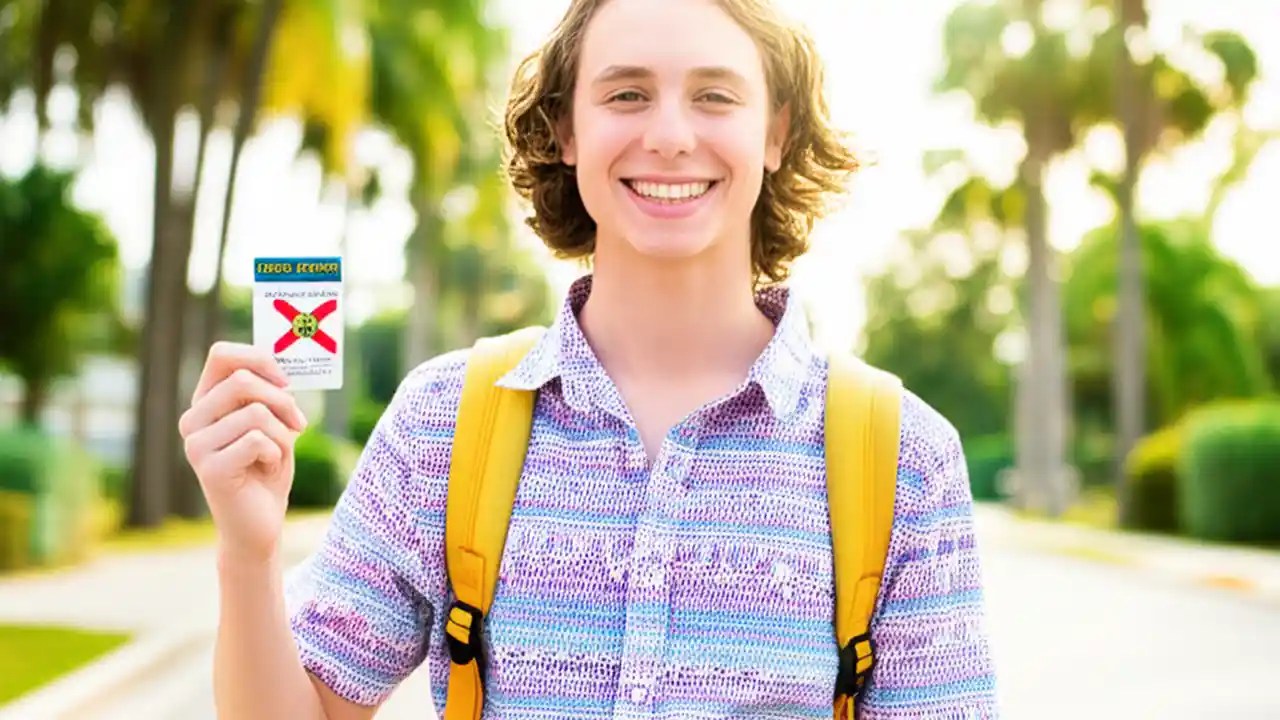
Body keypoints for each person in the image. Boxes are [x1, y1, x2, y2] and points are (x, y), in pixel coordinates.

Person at [178, 0, 999, 717]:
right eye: (627, 94)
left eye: (715, 96)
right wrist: (247, 556)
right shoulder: (443, 426)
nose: (670, 135)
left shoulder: (904, 463)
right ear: (568, 130)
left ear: (775, 131)